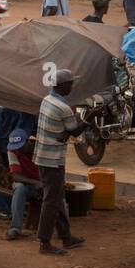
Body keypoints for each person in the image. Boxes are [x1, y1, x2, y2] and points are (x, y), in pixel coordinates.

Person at [33, 69, 88, 256]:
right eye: (70, 84)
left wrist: (65, 134)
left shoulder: (47, 100)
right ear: (63, 86)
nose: (72, 86)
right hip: (53, 159)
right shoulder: (63, 108)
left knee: (56, 198)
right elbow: (75, 131)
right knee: (52, 200)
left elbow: (65, 131)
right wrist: (88, 119)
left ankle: (66, 236)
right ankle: (44, 241)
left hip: (42, 156)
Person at [4, 128, 41, 241]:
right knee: (19, 188)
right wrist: (35, 182)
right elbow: (15, 176)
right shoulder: (12, 151)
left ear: (28, 142)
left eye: (21, 146)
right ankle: (16, 228)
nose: (18, 149)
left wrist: (42, 184)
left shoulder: (40, 149)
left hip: (42, 183)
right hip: (27, 184)